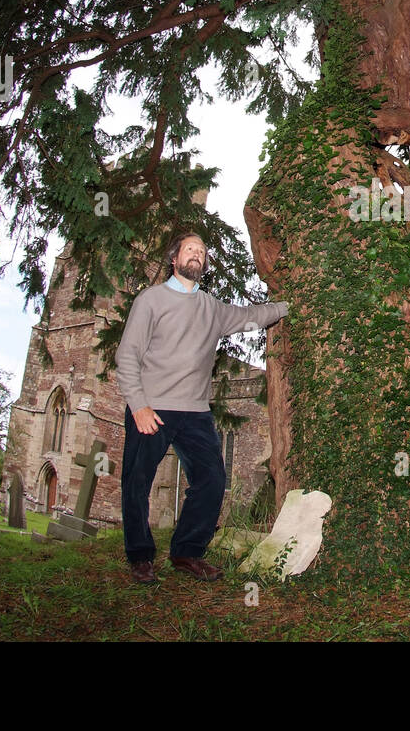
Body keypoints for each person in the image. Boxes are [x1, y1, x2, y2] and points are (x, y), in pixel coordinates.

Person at [115, 232, 288, 584]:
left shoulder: (212, 308)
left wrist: (291, 305)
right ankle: (140, 557)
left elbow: (250, 316)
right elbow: (127, 356)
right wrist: (139, 406)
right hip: (152, 407)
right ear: (173, 258)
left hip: (195, 411)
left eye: (202, 251)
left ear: (204, 264)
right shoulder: (151, 300)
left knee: (211, 479)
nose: (197, 254)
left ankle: (187, 551)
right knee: (137, 482)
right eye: (190, 249)